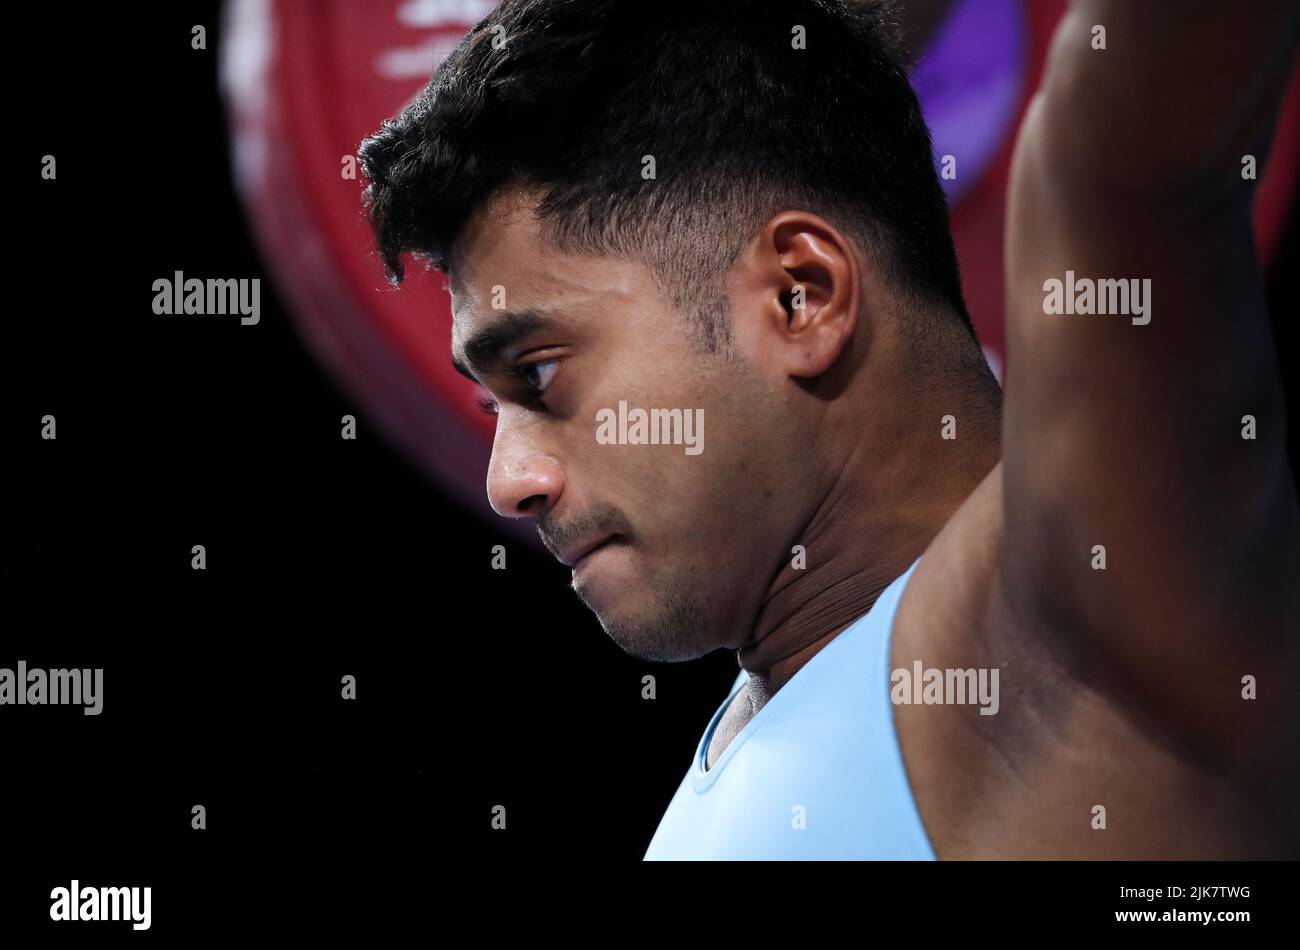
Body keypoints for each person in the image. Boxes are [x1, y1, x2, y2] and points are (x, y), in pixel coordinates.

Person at [358, 0, 1300, 858]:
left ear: (798, 297)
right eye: (494, 406)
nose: (508, 481)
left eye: (540, 374)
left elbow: (1130, 168)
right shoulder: (765, 723)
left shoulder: (1074, 613)